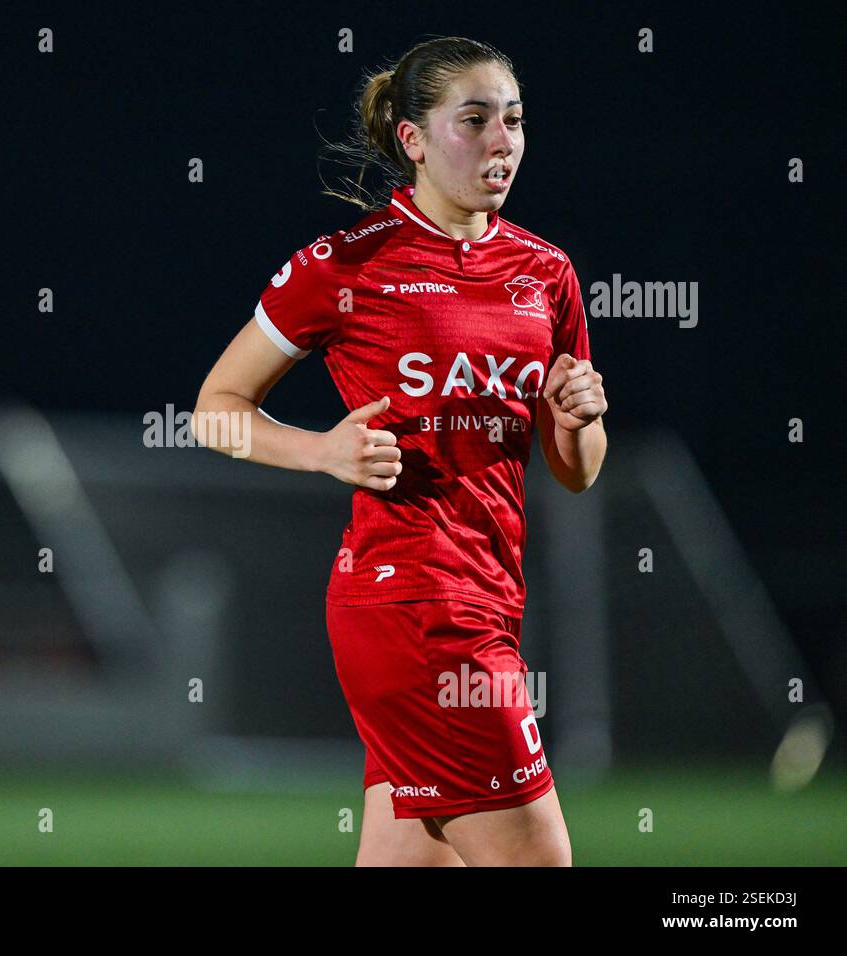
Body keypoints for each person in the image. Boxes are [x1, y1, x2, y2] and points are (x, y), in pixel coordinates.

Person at [192, 36, 608, 866]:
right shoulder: (346, 263)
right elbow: (213, 412)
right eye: (476, 120)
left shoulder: (546, 271)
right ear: (413, 140)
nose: (503, 141)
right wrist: (321, 453)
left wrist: (578, 416)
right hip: (415, 609)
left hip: (489, 601)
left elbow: (576, 471)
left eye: (515, 121)